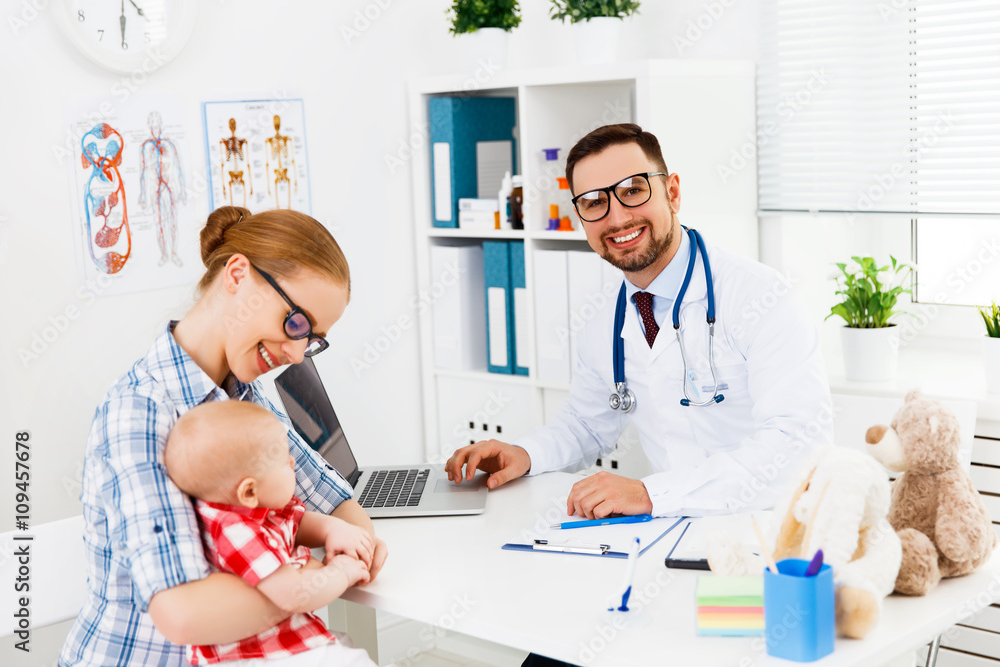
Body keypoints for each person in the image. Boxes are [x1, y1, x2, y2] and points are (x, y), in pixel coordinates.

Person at [445, 123, 833, 521]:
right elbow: (586, 424)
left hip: (771, 527)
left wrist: (652, 493)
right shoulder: (604, 322)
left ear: (673, 193)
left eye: (632, 190)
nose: (617, 218)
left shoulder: (761, 298)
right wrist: (524, 454)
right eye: (594, 202)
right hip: (672, 528)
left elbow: (797, 446)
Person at [60, 206, 388, 667]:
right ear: (237, 276)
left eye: (311, 339)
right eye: (294, 322)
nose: (296, 355)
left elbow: (337, 504)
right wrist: (303, 583)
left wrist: (321, 564)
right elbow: (185, 615)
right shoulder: (139, 412)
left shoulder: (245, 398)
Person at [163, 400, 380, 666]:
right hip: (257, 656)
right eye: (282, 459)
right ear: (249, 491)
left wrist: (334, 528)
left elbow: (297, 523)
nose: (292, 462)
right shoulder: (235, 531)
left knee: (349, 648)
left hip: (286, 643)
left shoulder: (258, 509)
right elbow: (294, 593)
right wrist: (341, 572)